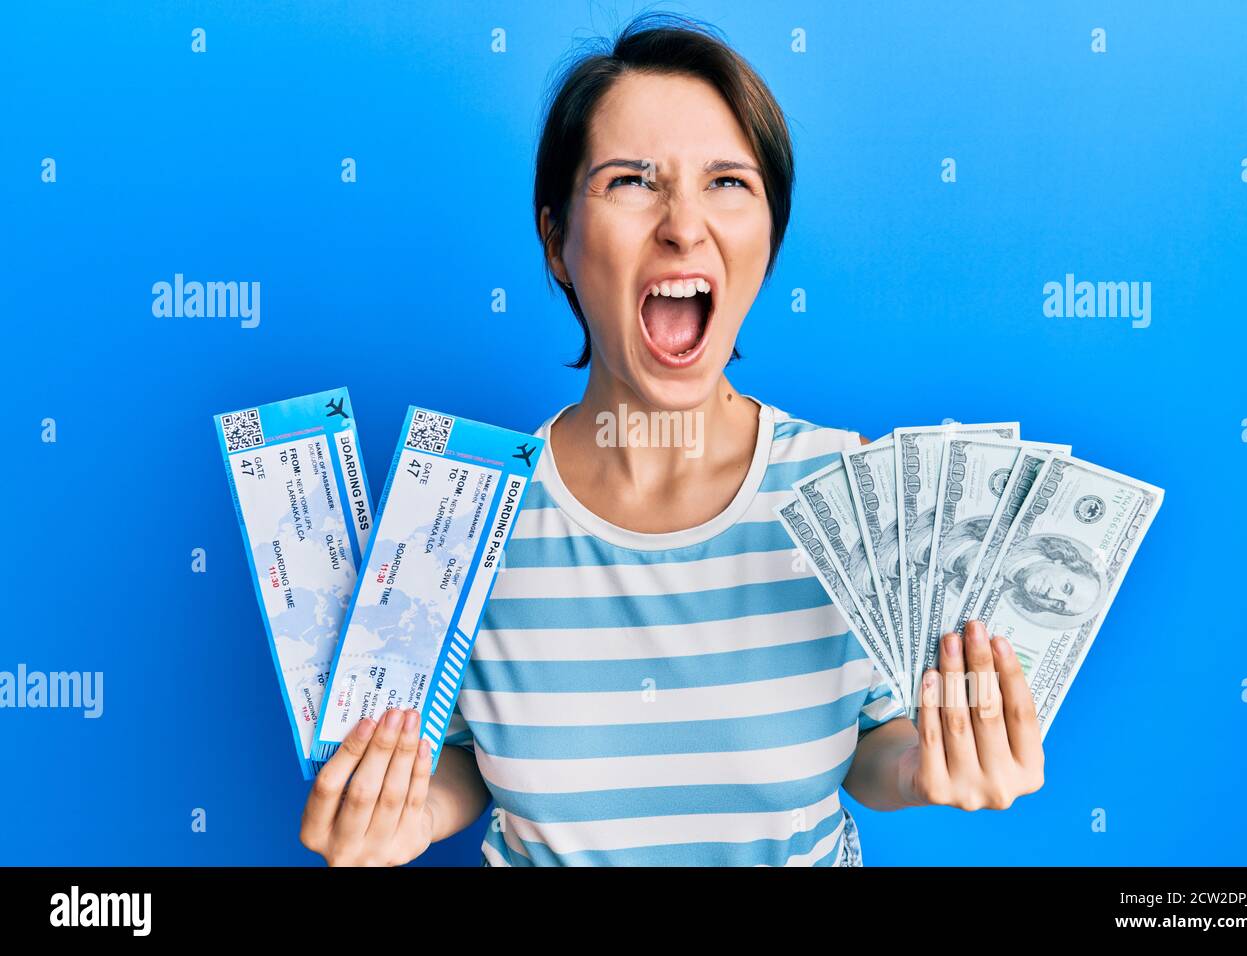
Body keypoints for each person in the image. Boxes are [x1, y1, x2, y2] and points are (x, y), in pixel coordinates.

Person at [299, 13, 1044, 867]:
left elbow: (870, 743)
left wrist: (921, 765)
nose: (684, 226)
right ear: (556, 242)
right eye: (630, 182)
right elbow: (471, 753)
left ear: (768, 237)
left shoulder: (847, 490)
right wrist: (409, 806)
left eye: (729, 182)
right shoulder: (465, 518)